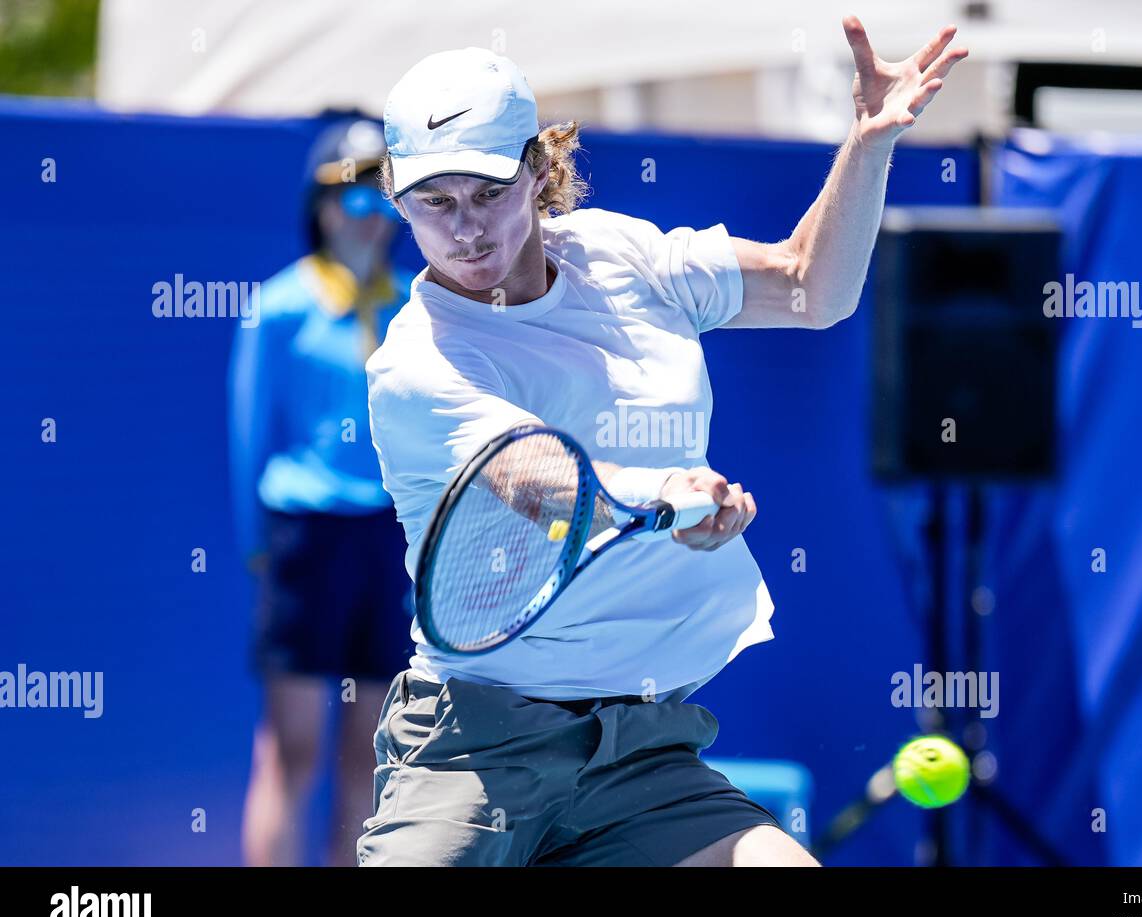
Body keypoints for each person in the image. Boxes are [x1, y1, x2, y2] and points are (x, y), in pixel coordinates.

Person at [358, 18, 966, 866]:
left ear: (538, 170)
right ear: (398, 199)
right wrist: (666, 500)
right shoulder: (416, 365)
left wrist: (866, 146)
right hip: (475, 752)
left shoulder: (622, 255)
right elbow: (542, 486)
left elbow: (808, 288)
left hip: (639, 749)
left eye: (488, 192)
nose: (464, 229)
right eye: (433, 202)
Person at [229, 116, 416, 866]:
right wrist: (256, 553)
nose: (367, 215)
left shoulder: (417, 304)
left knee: (372, 762)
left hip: (388, 544)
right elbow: (250, 436)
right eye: (351, 195)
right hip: (305, 541)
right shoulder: (278, 305)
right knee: (293, 751)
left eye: (383, 195)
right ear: (319, 206)